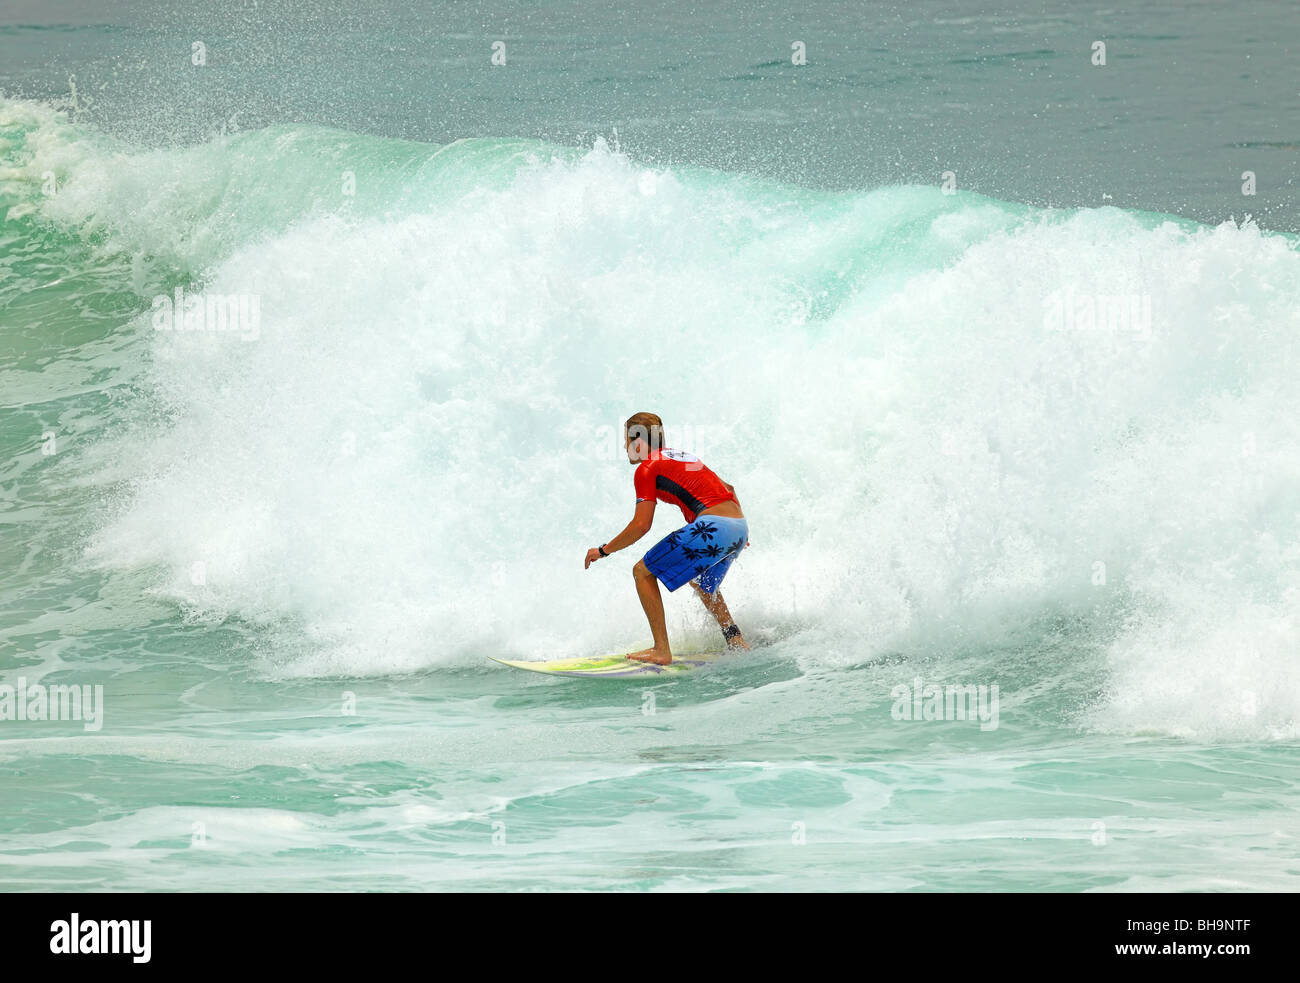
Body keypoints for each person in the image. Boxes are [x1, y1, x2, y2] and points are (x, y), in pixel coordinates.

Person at [584, 412, 749, 665]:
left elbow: (641, 525)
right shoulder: (684, 457)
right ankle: (734, 638)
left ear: (638, 442)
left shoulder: (647, 468)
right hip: (738, 526)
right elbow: (729, 489)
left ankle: (661, 650)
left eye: (626, 441)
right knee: (703, 583)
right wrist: (734, 530)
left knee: (642, 572)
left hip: (716, 525)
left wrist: (604, 550)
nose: (623, 447)